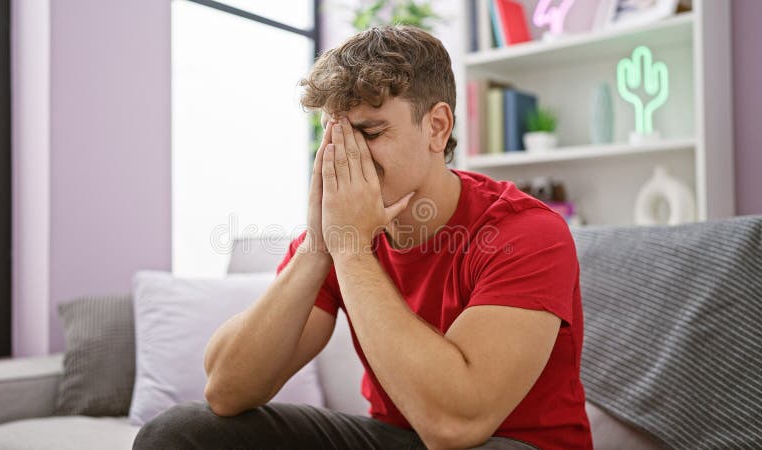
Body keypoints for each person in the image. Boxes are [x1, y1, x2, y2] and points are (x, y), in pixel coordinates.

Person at [133, 25, 593, 450]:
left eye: (370, 132)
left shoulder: (529, 232)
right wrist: (319, 246)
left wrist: (351, 250)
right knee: (179, 434)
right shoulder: (342, 226)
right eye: (336, 134)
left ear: (437, 127)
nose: (346, 154)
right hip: (394, 438)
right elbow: (227, 390)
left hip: (510, 444)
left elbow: (456, 424)